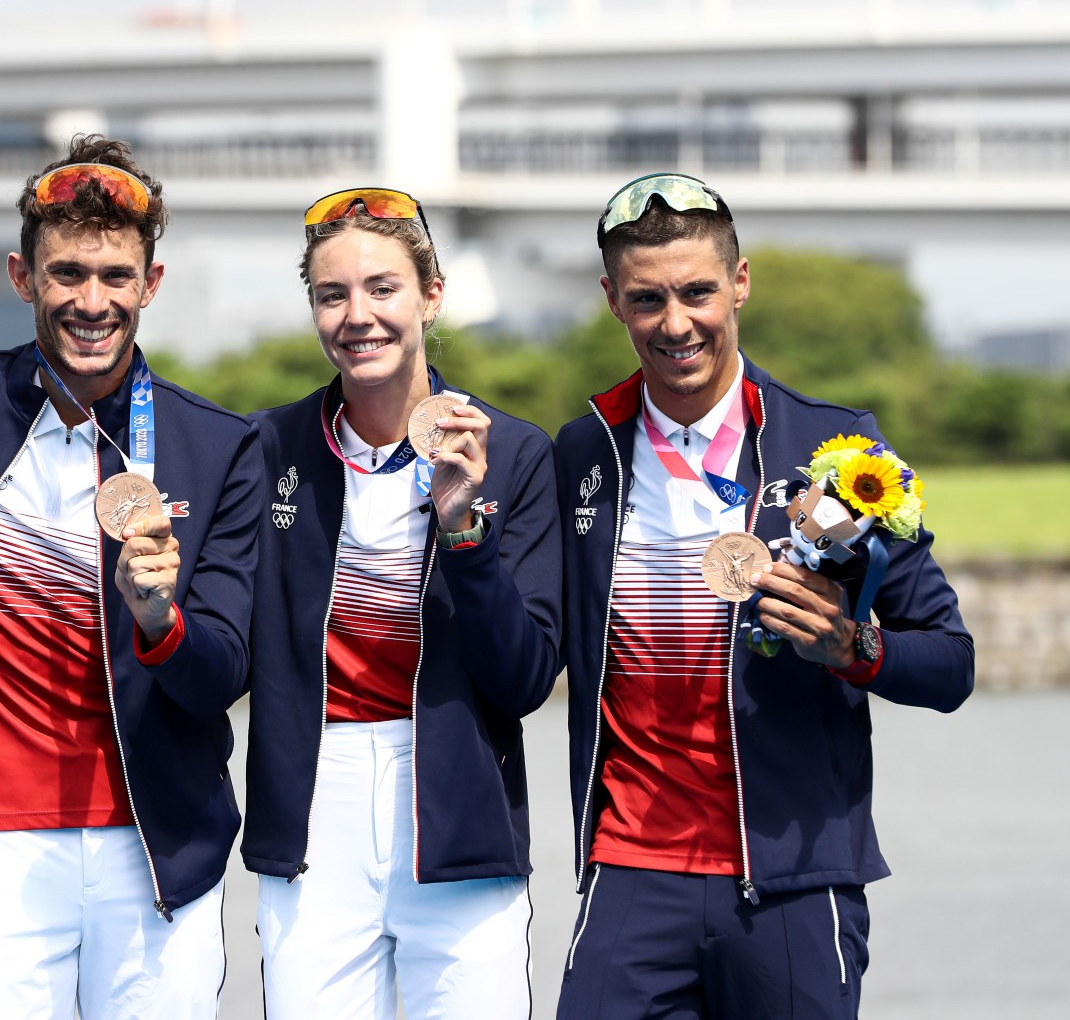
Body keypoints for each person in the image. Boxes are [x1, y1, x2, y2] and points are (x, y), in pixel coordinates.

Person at [552, 173, 974, 1018]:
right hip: (631, 867)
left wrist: (854, 648)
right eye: (647, 299)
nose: (676, 324)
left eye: (698, 291)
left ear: (739, 283)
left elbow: (950, 663)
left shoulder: (840, 451)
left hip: (790, 875)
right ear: (612, 300)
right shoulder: (581, 452)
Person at [0, 135, 261, 1017]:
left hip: (156, 844)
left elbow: (223, 672)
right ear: (21, 276)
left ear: (151, 284)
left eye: (116, 277)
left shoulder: (221, 447)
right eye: (66, 273)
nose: (91, 302)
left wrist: (160, 622)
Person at [241, 188, 561, 1018]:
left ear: (432, 294)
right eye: (332, 294)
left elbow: (525, 679)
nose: (359, 315)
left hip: (456, 804)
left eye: (382, 288)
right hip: (313, 806)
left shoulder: (516, 453)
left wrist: (462, 529)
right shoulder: (265, 447)